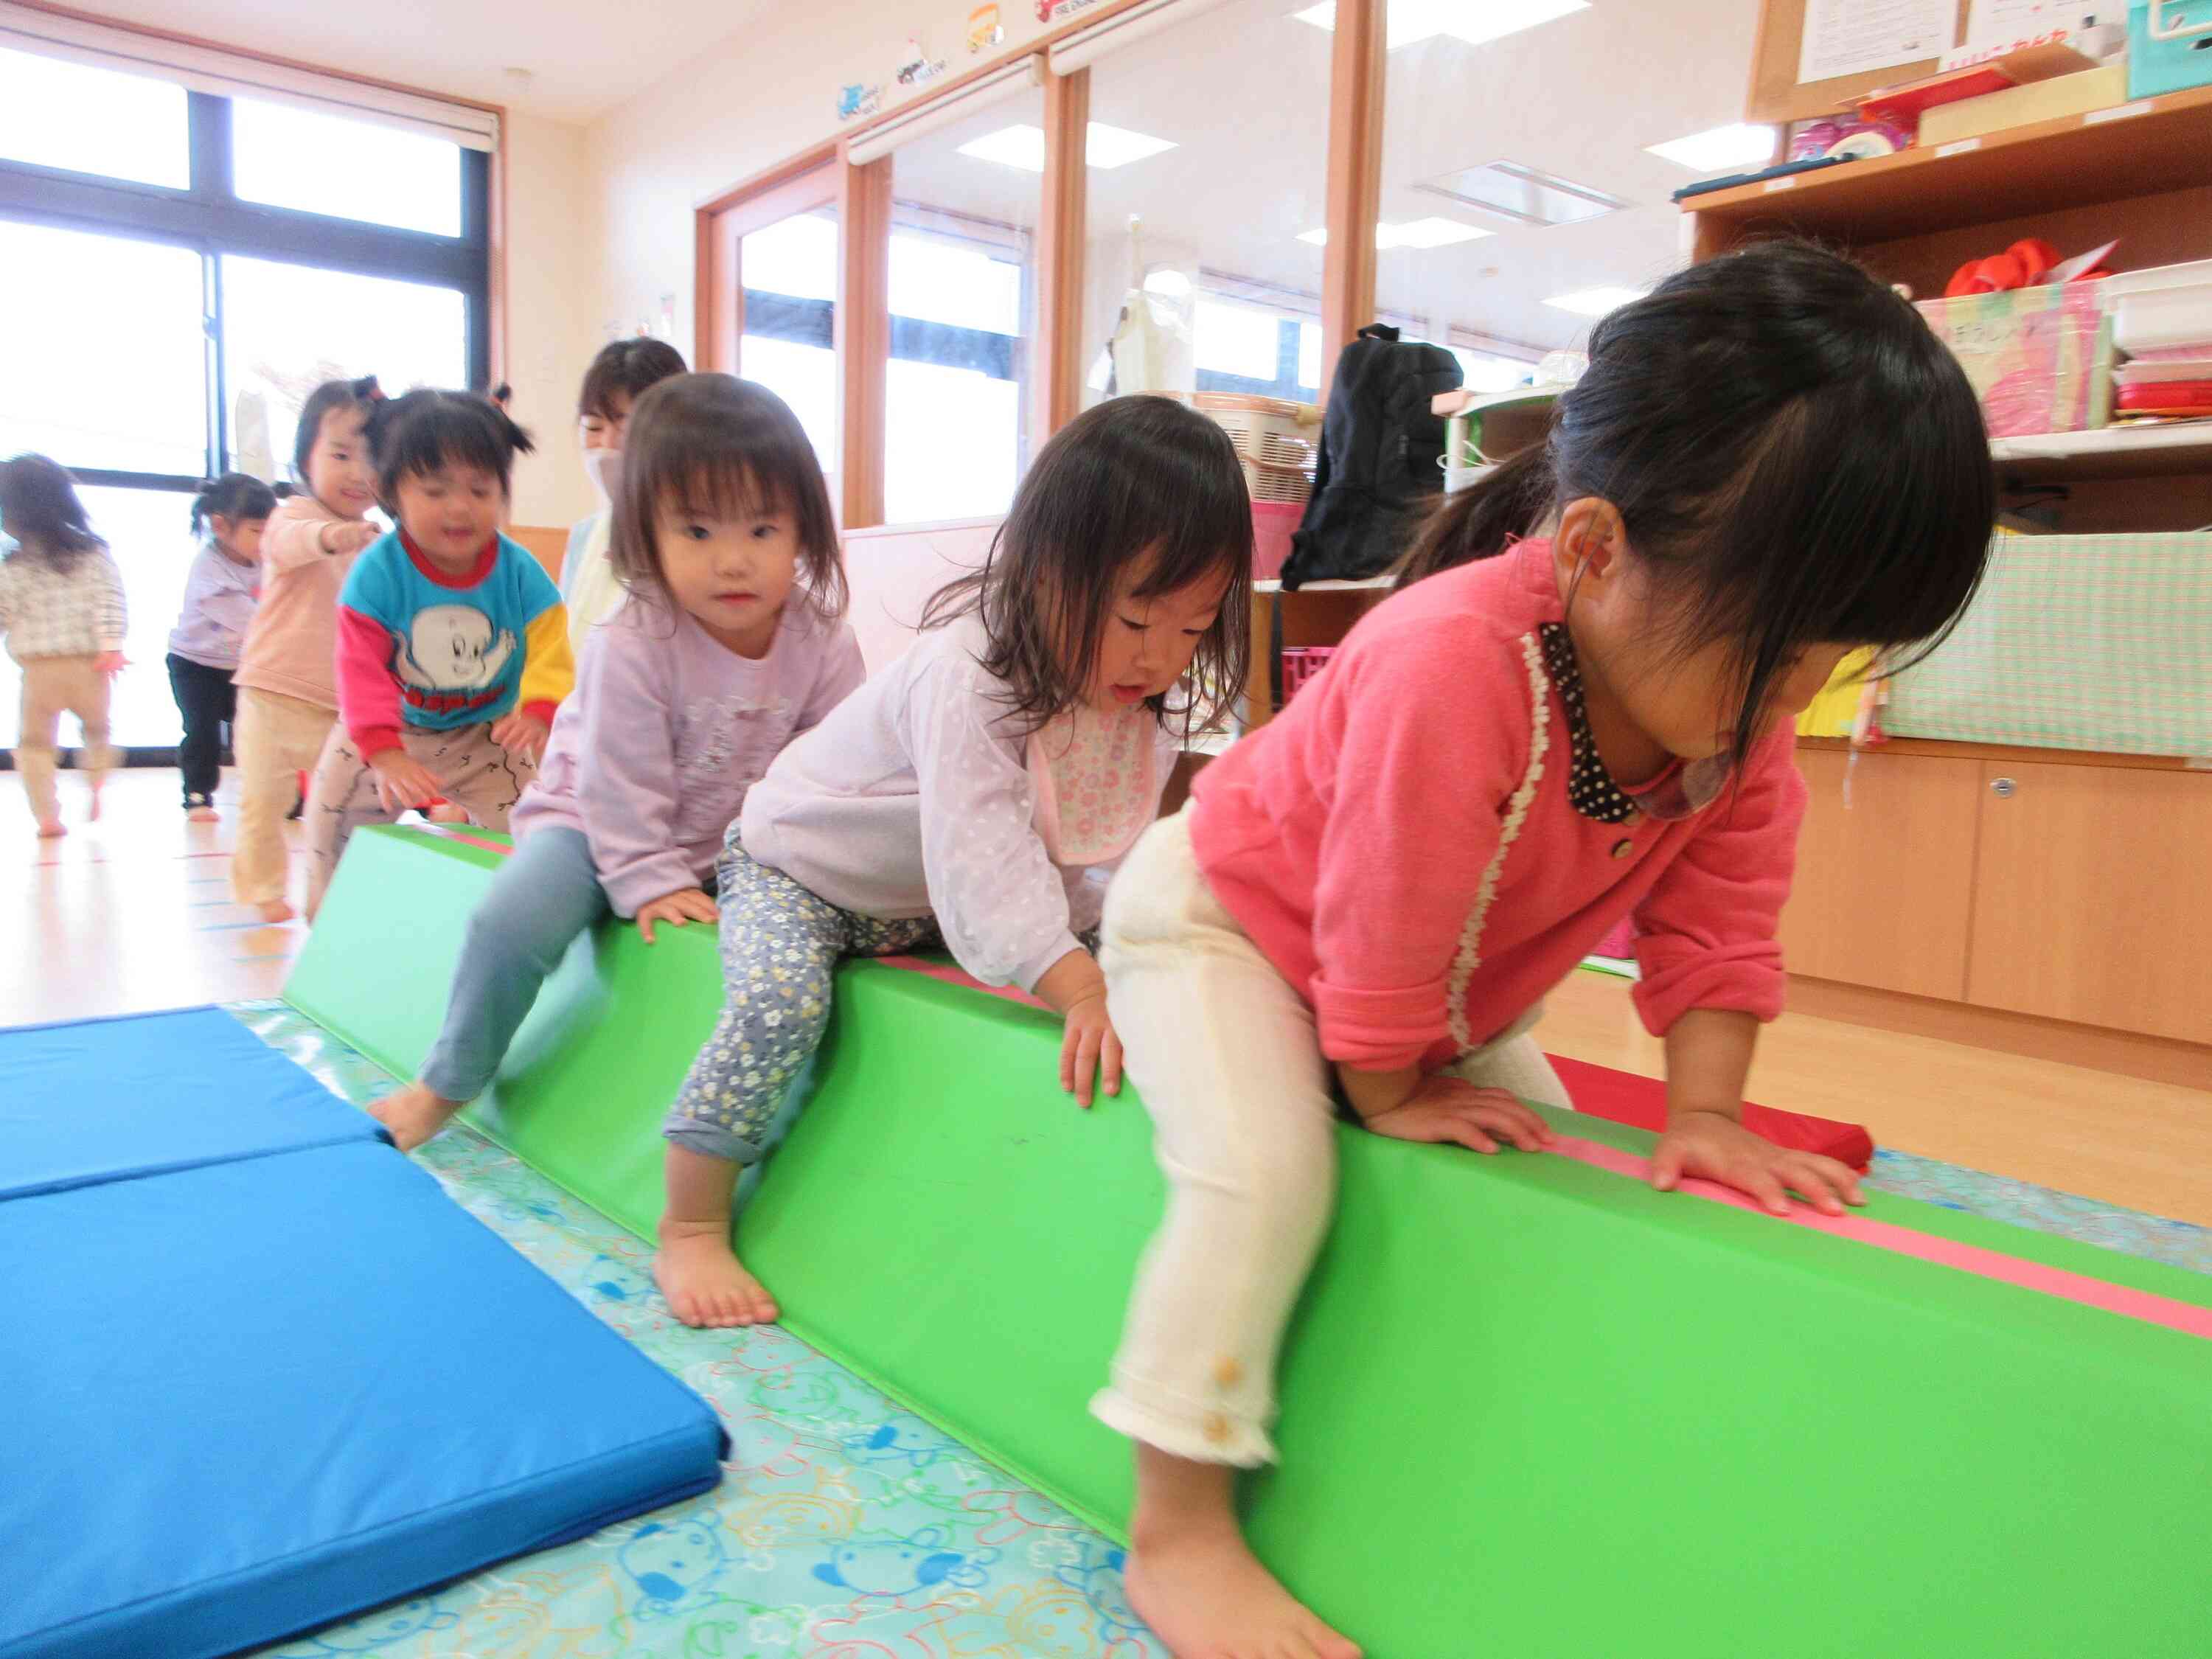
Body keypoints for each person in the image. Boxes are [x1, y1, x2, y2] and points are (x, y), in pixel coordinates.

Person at [1090, 241, 1997, 1659]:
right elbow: (1384, 905)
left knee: (1557, 1175)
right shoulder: (1453, 661)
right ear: (1591, 551)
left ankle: (1464, 1433)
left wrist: (1705, 1113)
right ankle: (1179, 1531)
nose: (1796, 702)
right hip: (1231, 921)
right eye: (1782, 654)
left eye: (1827, 661)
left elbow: (1721, 924)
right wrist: (1389, 1088)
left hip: (1434, 976)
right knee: (1267, 1173)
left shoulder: (1736, 712)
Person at [655, 394, 1252, 1329]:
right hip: (800, 874)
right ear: (1048, 572)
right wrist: (1082, 990)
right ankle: (691, 1222)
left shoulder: (1130, 692)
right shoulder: (968, 673)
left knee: (1154, 954)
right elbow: (987, 869)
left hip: (919, 900)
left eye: (1192, 627)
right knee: (779, 1002)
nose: (1160, 658)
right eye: (1138, 621)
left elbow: (1100, 858)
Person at [369, 374, 864, 1152]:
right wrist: (650, 877)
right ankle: (448, 1081)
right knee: (510, 921)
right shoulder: (634, 640)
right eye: (698, 533)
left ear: (802, 531)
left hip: (736, 843)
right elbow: (618, 782)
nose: (733, 562)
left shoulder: (824, 641)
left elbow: (830, 770)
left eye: (762, 532)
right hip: (594, 826)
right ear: (645, 535)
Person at [301, 386, 571, 917]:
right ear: (390, 492)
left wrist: (541, 711)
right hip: (387, 731)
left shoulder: (517, 572)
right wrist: (383, 751)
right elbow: (360, 672)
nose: (460, 508)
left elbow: (550, 641)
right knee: (328, 829)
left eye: (480, 489)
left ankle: (517, 930)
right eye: (435, 490)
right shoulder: (378, 575)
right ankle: (332, 936)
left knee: (539, 831)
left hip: (484, 733)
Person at [231, 377, 383, 919]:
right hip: (272, 690)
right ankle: (263, 887)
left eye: (372, 460)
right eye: (340, 454)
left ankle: (332, 888)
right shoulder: (293, 515)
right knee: (262, 801)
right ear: (305, 457)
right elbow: (286, 546)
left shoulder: (376, 539)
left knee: (335, 807)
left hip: (338, 705)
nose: (357, 473)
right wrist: (334, 536)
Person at [0, 455, 125, 837]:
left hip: (39, 671)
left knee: (35, 746)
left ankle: (48, 817)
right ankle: (97, 787)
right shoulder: (93, 553)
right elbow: (110, 598)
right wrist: (112, 645)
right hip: (91, 664)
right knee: (98, 731)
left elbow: (3, 610)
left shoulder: (13, 564)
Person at [563, 338, 688, 654]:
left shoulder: (699, 536)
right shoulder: (585, 537)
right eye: (593, 427)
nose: (608, 444)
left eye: (627, 427)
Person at [167, 473, 276, 821]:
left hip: (239, 666)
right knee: (201, 730)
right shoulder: (210, 569)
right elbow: (251, 620)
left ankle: (275, 794)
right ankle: (197, 794)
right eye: (256, 531)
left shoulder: (262, 560)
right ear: (220, 526)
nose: (265, 541)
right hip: (195, 665)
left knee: (258, 732)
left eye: (270, 531)